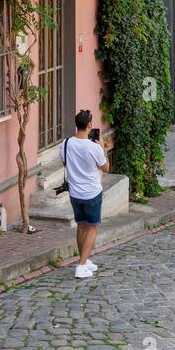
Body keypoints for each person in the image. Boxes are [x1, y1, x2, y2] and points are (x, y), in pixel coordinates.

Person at [61, 110, 109, 279]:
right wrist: (102, 146)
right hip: (91, 193)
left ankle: (84, 260)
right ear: (89, 125)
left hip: (75, 193)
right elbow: (106, 168)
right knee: (93, 227)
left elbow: (64, 162)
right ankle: (81, 266)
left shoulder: (66, 143)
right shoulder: (94, 147)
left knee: (81, 226)